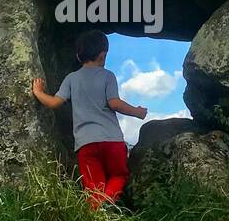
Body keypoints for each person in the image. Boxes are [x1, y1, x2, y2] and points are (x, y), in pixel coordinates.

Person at [32, 30, 147, 208]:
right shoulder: (108, 76)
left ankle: (96, 215)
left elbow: (55, 103)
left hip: (86, 144)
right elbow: (115, 103)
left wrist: (38, 92)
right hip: (112, 141)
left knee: (94, 188)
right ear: (103, 55)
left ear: (78, 56)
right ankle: (107, 206)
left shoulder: (71, 78)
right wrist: (136, 112)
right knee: (118, 175)